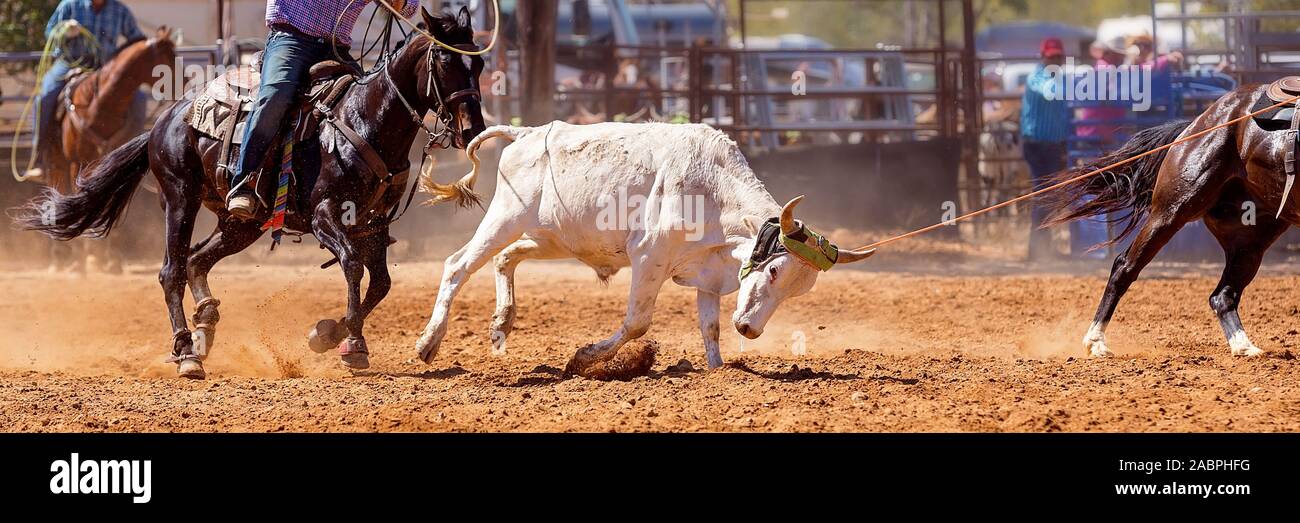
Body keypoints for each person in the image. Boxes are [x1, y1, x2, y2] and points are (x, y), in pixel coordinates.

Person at [226, 0, 417, 219]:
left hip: (337, 49)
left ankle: (366, 206)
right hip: (292, 39)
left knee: (369, 109)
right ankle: (245, 182)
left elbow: (410, 9)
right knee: (274, 97)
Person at [26, 0, 145, 181]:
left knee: (139, 98)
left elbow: (137, 39)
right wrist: (64, 32)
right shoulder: (70, 5)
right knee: (44, 97)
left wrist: (125, 58)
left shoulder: (119, 10)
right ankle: (39, 159)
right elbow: (50, 31)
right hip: (69, 62)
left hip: (104, 69)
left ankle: (135, 160)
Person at [1020, 37, 1072, 261]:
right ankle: (1037, 250)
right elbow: (1049, 92)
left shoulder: (1058, 79)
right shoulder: (1036, 78)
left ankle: (1043, 248)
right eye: (1051, 57)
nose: (1055, 60)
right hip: (1037, 146)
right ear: (1043, 57)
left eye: (1058, 57)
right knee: (1043, 195)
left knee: (1050, 196)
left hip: (1054, 146)